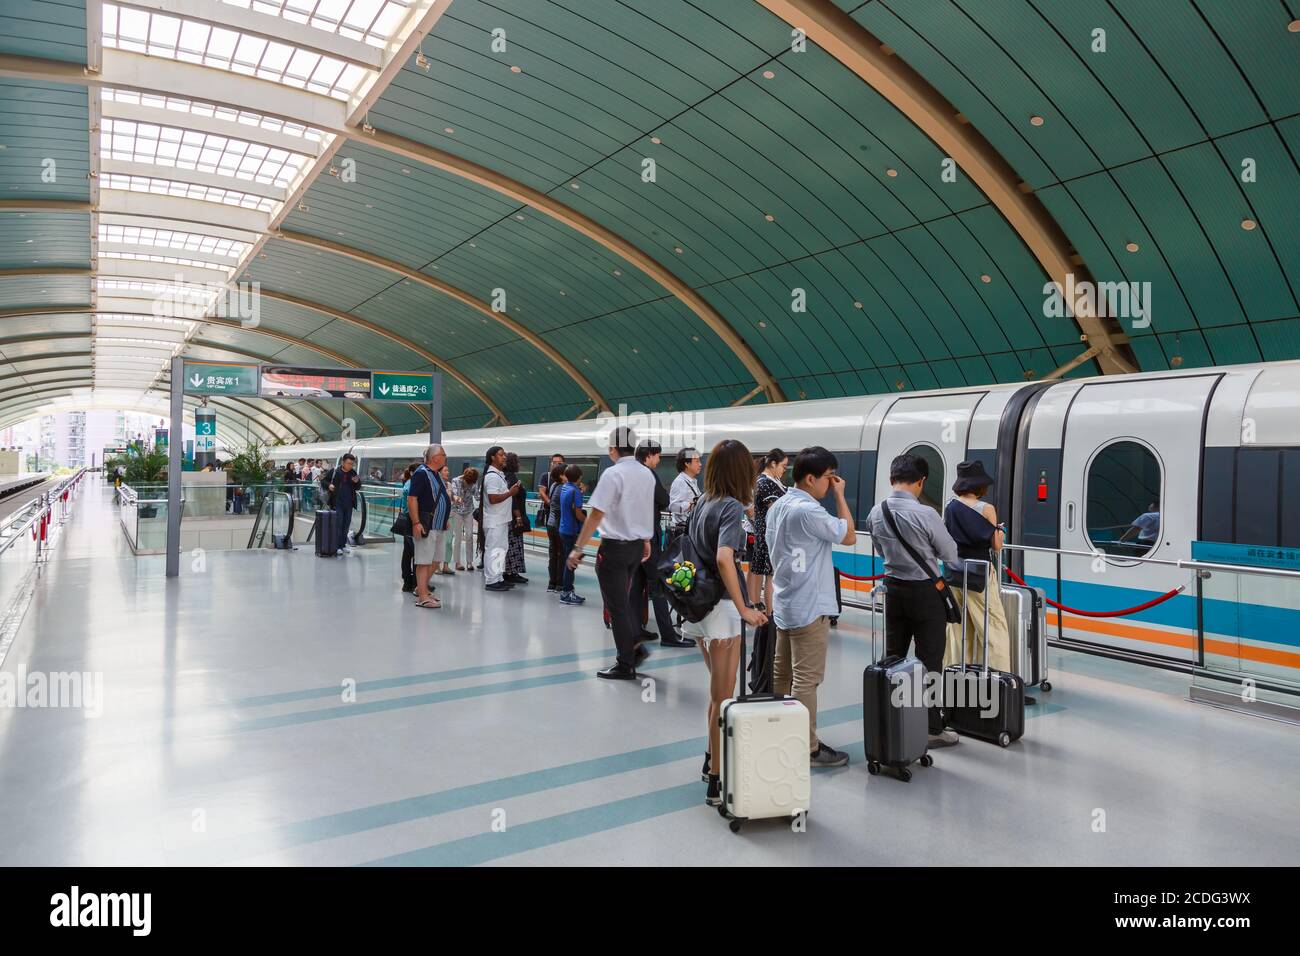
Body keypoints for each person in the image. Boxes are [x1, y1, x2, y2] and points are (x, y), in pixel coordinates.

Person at [681, 439, 769, 806]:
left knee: (718, 694)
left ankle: (708, 760)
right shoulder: (731, 506)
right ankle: (717, 779)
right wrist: (745, 607)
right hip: (720, 613)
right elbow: (724, 558)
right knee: (723, 698)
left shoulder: (703, 501)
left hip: (699, 610)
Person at [765, 446, 854, 768]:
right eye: (830, 479)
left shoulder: (779, 505)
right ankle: (809, 747)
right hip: (810, 605)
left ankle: (778, 731)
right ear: (811, 478)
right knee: (806, 680)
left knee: (782, 675)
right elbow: (849, 536)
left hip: (786, 601)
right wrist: (842, 498)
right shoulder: (809, 511)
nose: (832, 485)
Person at [867, 453, 961, 748]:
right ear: (921, 482)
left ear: (891, 479)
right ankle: (932, 728)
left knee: (893, 656)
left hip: (893, 591)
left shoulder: (875, 513)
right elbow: (950, 555)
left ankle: (891, 719)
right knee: (930, 660)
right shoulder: (926, 514)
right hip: (925, 594)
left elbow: (881, 552)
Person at [567, 426, 655, 680]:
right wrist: (646, 539)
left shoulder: (612, 474)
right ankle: (635, 645)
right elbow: (644, 509)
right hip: (636, 547)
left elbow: (596, 514)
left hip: (614, 550)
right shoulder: (647, 474)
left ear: (613, 448)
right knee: (623, 600)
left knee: (616, 606)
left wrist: (578, 548)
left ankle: (626, 663)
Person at [942, 460, 1011, 672]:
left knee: (958, 627)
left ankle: (955, 674)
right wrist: (1000, 530)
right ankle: (997, 677)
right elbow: (997, 546)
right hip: (980, 571)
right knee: (992, 626)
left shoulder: (950, 507)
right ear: (980, 486)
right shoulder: (987, 508)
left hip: (955, 571)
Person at [633, 439, 694, 647]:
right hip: (649, 536)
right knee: (658, 586)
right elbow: (664, 500)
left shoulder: (632, 473)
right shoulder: (648, 474)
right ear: (649, 455)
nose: (659, 460)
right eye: (657, 456)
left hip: (635, 538)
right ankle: (668, 635)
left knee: (637, 584)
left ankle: (636, 629)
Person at [407, 444, 450, 610]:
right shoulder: (421, 474)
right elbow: (412, 499)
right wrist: (416, 523)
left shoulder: (436, 474)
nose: (446, 457)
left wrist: (445, 517)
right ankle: (422, 597)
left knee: (436, 559)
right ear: (435, 458)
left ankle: (421, 588)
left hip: (439, 525)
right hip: (426, 524)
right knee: (424, 561)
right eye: (444, 454)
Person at [747, 448, 788, 609]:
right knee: (770, 575)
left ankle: (761, 606)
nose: (785, 470)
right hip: (769, 534)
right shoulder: (765, 483)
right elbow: (777, 510)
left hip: (767, 533)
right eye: (783, 466)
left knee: (765, 573)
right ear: (773, 464)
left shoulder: (773, 481)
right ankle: (770, 613)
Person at [479, 446, 520, 592]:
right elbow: (493, 499)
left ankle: (498, 578)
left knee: (501, 549)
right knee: (493, 550)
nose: (504, 457)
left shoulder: (498, 475)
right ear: (492, 457)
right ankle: (491, 581)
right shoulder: (491, 476)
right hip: (495, 520)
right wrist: (511, 492)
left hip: (501, 520)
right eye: (501, 455)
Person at [557, 464, 587, 605]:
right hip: (572, 531)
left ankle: (568, 590)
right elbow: (578, 513)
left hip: (564, 529)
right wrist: (588, 522)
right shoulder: (575, 492)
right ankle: (567, 592)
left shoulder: (565, 487)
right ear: (580, 477)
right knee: (571, 563)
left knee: (569, 560)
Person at [538, 453, 566, 591]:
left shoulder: (556, 484)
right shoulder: (549, 478)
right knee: (559, 552)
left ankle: (553, 582)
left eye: (559, 463)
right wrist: (550, 503)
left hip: (552, 522)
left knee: (554, 551)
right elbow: (541, 492)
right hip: (557, 522)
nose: (556, 465)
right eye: (554, 462)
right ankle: (558, 582)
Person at [326, 453, 362, 554]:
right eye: (348, 463)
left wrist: (356, 482)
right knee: (339, 523)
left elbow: (358, 486)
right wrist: (329, 485)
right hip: (337, 502)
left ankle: (343, 545)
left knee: (346, 524)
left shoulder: (353, 472)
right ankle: (337, 546)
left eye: (352, 464)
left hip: (349, 503)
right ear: (343, 462)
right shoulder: (334, 471)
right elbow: (324, 481)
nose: (350, 466)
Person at [502, 452, 529, 585]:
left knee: (508, 544)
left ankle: (507, 571)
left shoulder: (504, 476)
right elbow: (513, 499)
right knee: (514, 544)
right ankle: (511, 572)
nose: (519, 464)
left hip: (507, 516)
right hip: (513, 517)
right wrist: (518, 517)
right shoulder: (512, 478)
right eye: (517, 462)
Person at [449, 466, 479, 570]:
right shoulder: (456, 481)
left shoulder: (474, 482)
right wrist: (457, 499)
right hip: (457, 510)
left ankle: (469, 562)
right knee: (458, 536)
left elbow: (477, 496)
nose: (470, 485)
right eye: (469, 483)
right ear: (465, 478)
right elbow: (456, 495)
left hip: (469, 510)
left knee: (469, 535)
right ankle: (457, 562)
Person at [668, 446, 702, 536]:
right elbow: (673, 506)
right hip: (682, 531)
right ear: (687, 463)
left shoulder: (691, 481)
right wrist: (691, 505)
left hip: (691, 528)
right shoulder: (680, 482)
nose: (700, 464)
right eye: (697, 461)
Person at [397, 462, 419, 593]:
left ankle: (407, 582)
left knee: (407, 553)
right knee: (416, 553)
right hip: (411, 520)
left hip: (407, 520)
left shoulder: (408, 483)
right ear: (411, 473)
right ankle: (417, 584)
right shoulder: (412, 485)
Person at [437, 464, 456, 574]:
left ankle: (446, 565)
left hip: (450, 516)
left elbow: (452, 497)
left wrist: (456, 498)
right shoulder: (436, 484)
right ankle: (436, 566)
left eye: (448, 470)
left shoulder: (449, 485)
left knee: (448, 542)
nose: (448, 472)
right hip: (439, 517)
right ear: (439, 472)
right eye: (445, 470)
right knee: (439, 542)